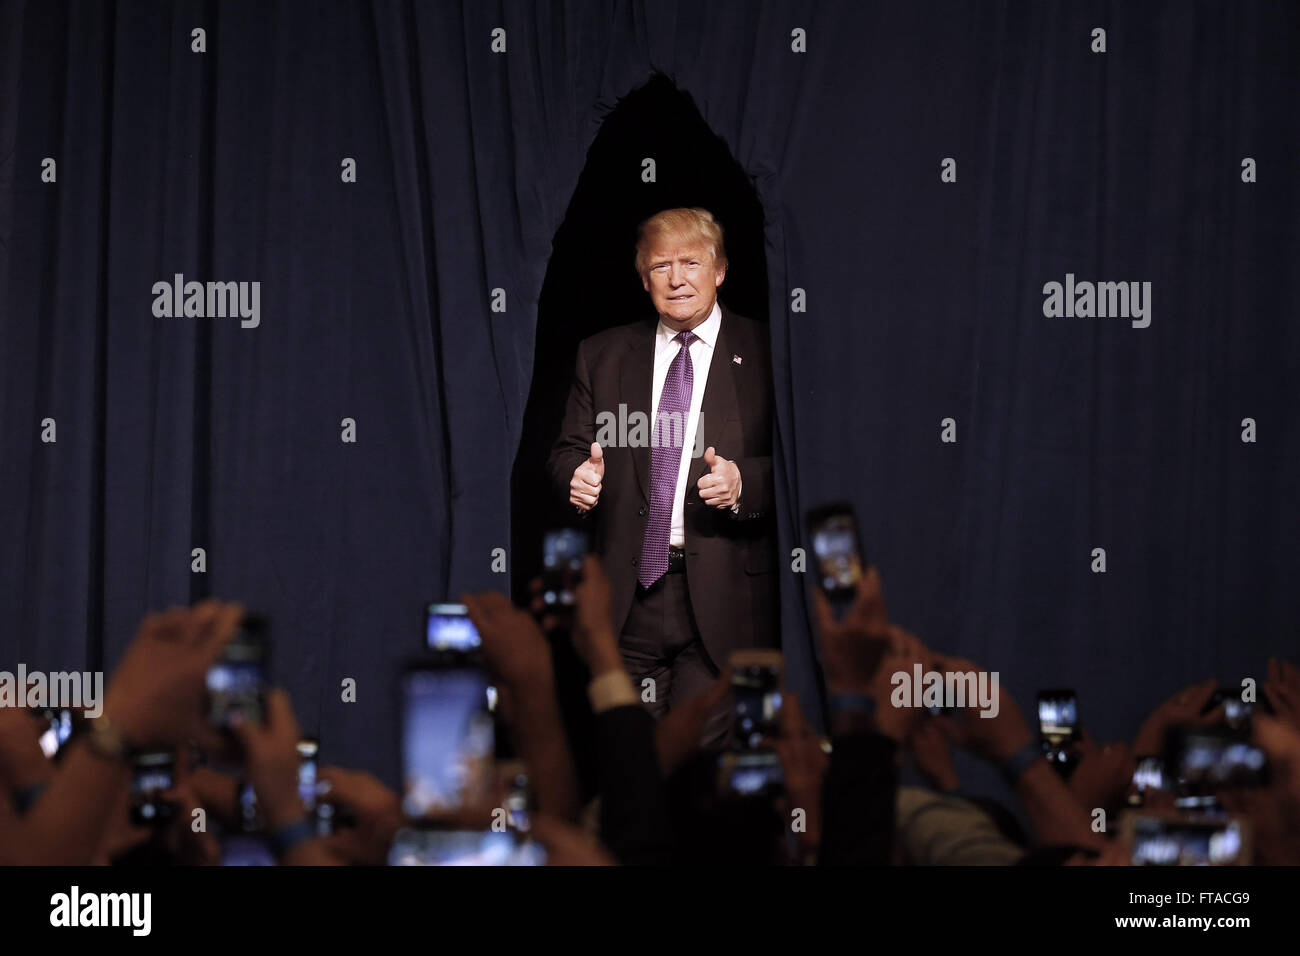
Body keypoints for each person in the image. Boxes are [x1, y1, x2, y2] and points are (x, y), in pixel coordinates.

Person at [548, 207, 777, 747]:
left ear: (719, 270)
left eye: (691, 263)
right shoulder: (601, 355)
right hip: (631, 603)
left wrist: (744, 483)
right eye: (660, 266)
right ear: (643, 277)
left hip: (724, 603)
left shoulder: (769, 351)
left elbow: (800, 466)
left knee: (702, 769)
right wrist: (575, 479)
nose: (676, 279)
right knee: (633, 765)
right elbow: (567, 452)